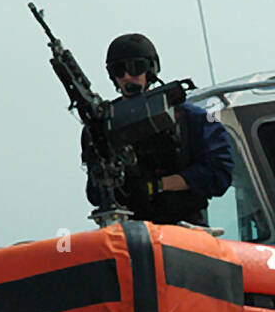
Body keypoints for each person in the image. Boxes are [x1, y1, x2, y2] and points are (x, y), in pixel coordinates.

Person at [82, 33, 233, 225]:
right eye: (119, 70)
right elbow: (95, 193)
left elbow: (219, 173)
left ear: (151, 69)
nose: (127, 76)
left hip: (185, 231)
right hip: (129, 232)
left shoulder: (193, 118)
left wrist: (157, 186)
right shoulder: (101, 128)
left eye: (136, 68)